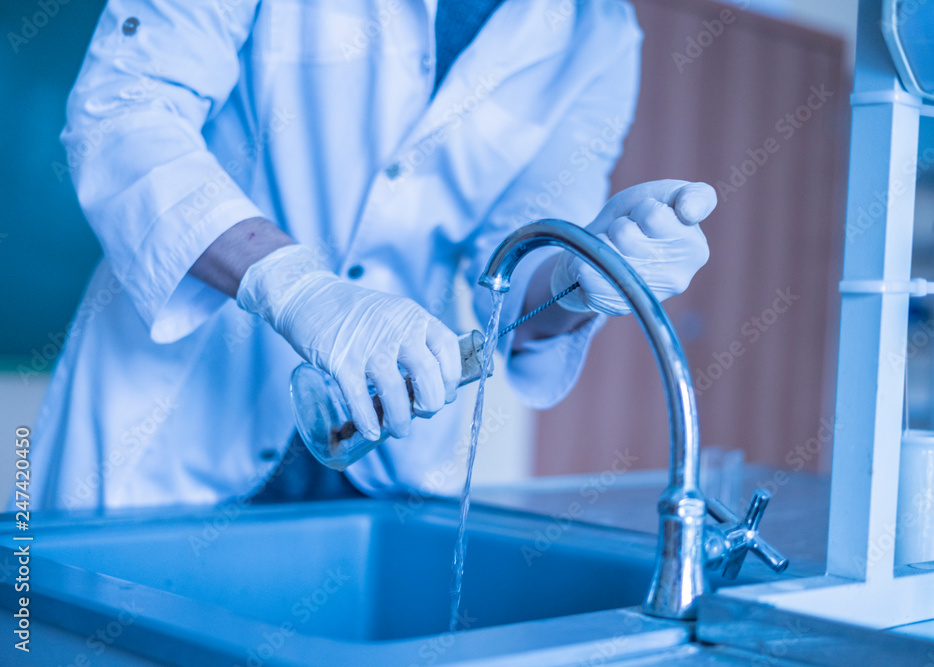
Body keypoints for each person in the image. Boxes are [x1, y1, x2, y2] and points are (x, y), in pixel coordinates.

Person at [29, 0, 715, 510]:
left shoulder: (599, 35)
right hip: (167, 431)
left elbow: (508, 268)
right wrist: (296, 287)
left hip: (380, 454)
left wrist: (580, 274)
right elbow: (124, 114)